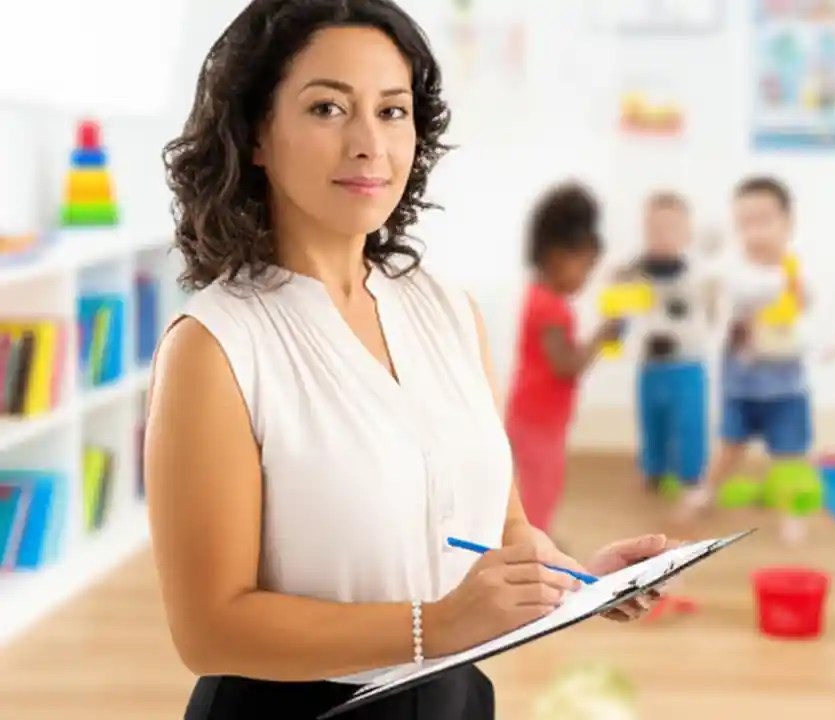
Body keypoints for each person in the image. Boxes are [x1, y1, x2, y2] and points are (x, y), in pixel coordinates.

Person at [150, 3, 665, 718]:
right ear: (257, 134)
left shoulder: (448, 312)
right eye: (328, 107)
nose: (369, 144)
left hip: (453, 697)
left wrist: (580, 582)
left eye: (392, 111)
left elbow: (501, 531)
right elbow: (209, 630)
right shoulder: (214, 346)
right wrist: (436, 625)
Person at [678, 177, 822, 543]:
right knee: (729, 443)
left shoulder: (794, 270)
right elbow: (718, 293)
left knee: (789, 452)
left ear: (788, 224)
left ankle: (793, 510)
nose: (755, 231)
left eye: (764, 220)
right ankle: (706, 490)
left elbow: (804, 302)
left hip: (785, 384)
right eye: (745, 223)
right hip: (740, 380)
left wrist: (788, 289)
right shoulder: (732, 269)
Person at [505, 182, 621, 536]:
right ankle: (536, 547)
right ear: (557, 257)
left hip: (539, 416)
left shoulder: (543, 298)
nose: (585, 279)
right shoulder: (551, 308)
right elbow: (565, 366)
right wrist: (602, 338)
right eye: (585, 267)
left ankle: (537, 539)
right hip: (538, 419)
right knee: (542, 488)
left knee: (541, 486)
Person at [612, 191, 714, 497]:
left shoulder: (697, 274)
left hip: (687, 363)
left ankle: (692, 476)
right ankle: (652, 471)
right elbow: (617, 305)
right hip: (650, 364)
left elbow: (708, 312)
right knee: (651, 421)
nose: (662, 235)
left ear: (687, 233)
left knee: (689, 423)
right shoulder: (633, 272)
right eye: (654, 228)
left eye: (671, 228)